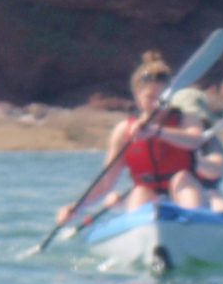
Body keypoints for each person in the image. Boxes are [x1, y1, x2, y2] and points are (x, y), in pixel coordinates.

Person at [55, 50, 208, 227]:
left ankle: (194, 223)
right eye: (150, 97)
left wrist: (157, 131)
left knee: (182, 178)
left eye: (162, 98)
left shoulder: (186, 119)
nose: (156, 103)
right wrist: (76, 207)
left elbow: (195, 140)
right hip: (148, 193)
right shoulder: (123, 131)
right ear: (137, 97)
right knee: (140, 192)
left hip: (184, 190)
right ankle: (144, 232)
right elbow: (105, 184)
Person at [168, 88, 223, 212]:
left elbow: (216, 169)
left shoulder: (210, 140)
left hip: (206, 192)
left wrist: (190, 159)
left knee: (215, 198)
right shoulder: (166, 134)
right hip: (169, 192)